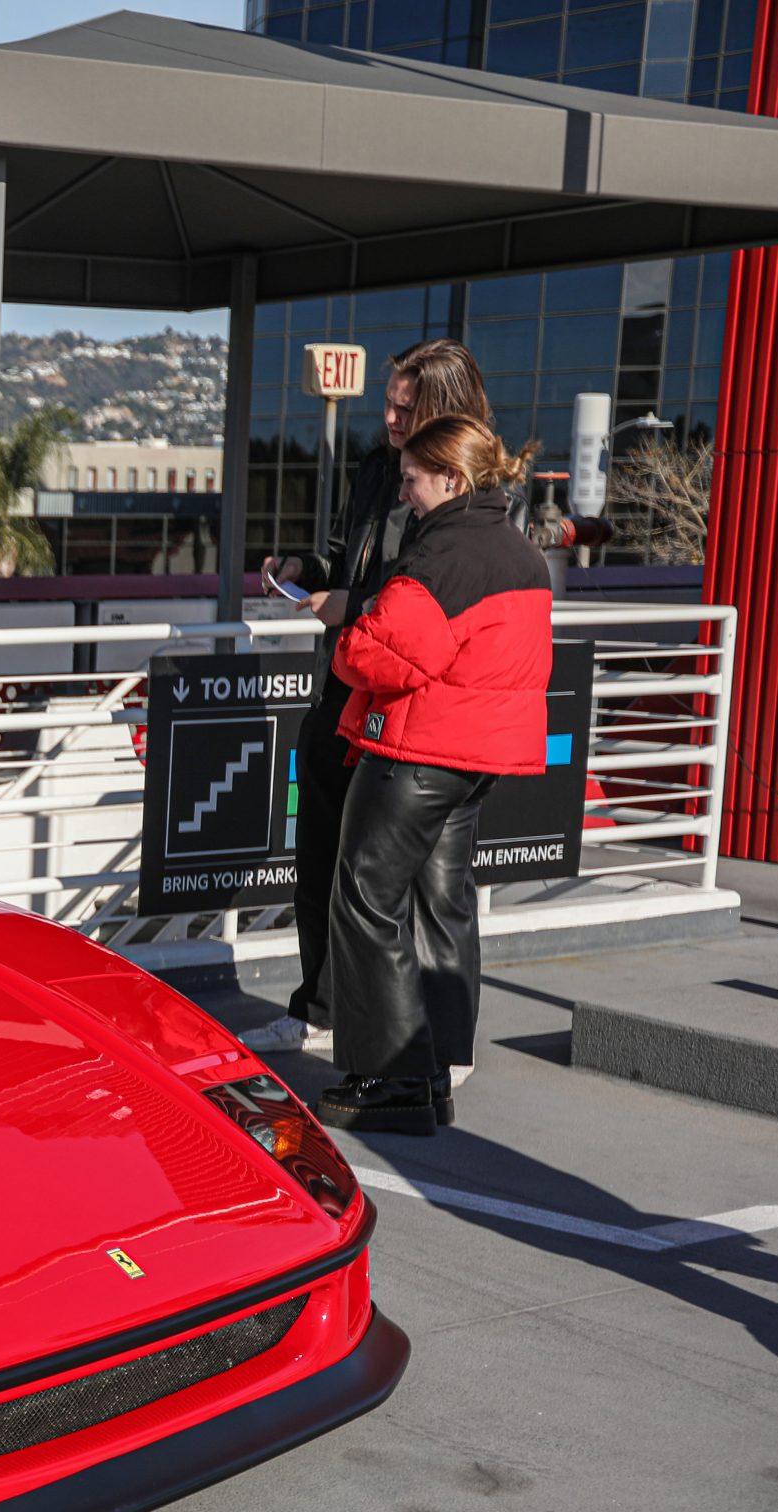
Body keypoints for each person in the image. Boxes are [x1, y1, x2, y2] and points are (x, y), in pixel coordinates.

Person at [239, 338, 525, 1062]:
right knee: (322, 864)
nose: (391, 418)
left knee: (425, 891)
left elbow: (432, 603)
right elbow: (351, 560)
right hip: (343, 691)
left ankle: (427, 1052)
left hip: (409, 717)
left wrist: (353, 605)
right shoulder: (379, 472)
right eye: (389, 404)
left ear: (444, 412)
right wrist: (307, 569)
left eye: (406, 406)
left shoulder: (470, 498)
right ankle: (324, 1012)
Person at [316, 414, 551, 1135]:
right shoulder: (518, 550)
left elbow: (373, 654)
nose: (404, 492)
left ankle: (394, 1077)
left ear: (451, 478)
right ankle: (437, 1069)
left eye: (412, 479)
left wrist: (353, 625)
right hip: (476, 758)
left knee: (366, 897)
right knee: (443, 903)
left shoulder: (444, 554)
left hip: (419, 750)